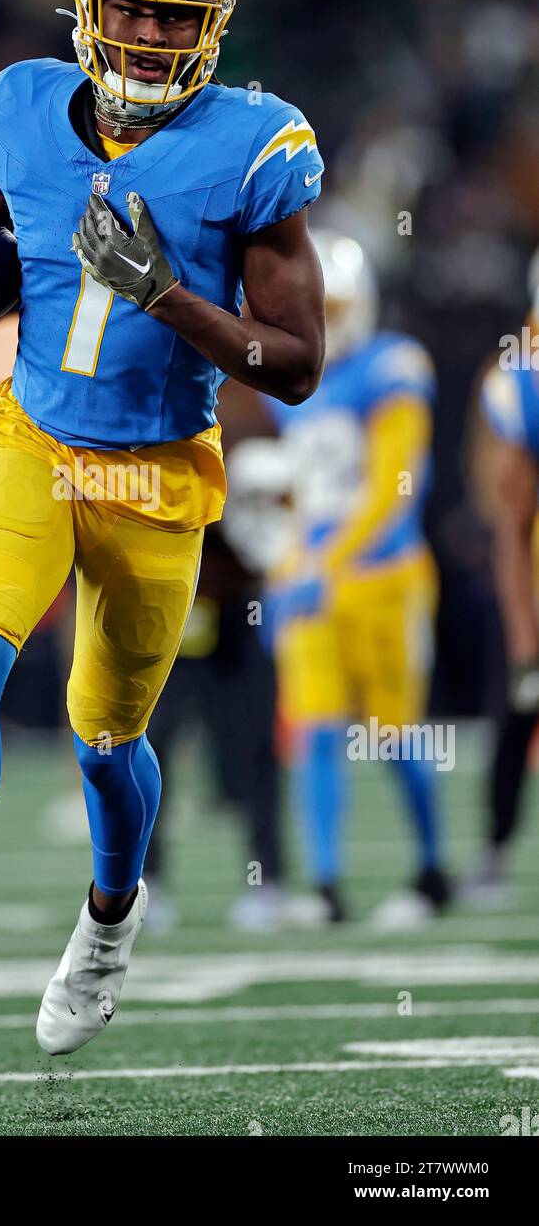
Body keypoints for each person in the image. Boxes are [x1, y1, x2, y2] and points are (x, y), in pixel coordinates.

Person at [0, 0, 324, 1081]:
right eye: (128, 11)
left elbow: (297, 363)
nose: (149, 36)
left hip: (154, 471)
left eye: (173, 18)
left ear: (209, 29)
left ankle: (109, 923)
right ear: (84, 9)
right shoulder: (17, 107)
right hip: (31, 441)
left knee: (107, 743)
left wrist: (170, 296)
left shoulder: (253, 145)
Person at [264, 231, 448, 926]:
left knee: (395, 735)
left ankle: (432, 872)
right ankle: (326, 887)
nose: (325, 321)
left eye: (335, 307)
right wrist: (286, 562)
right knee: (313, 731)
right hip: (311, 583)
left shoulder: (392, 366)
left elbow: (395, 488)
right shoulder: (292, 377)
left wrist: (328, 562)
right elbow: (297, 490)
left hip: (382, 578)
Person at [462, 250, 539, 903]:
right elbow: (510, 526)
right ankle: (493, 849)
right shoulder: (520, 384)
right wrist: (524, 637)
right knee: (518, 710)